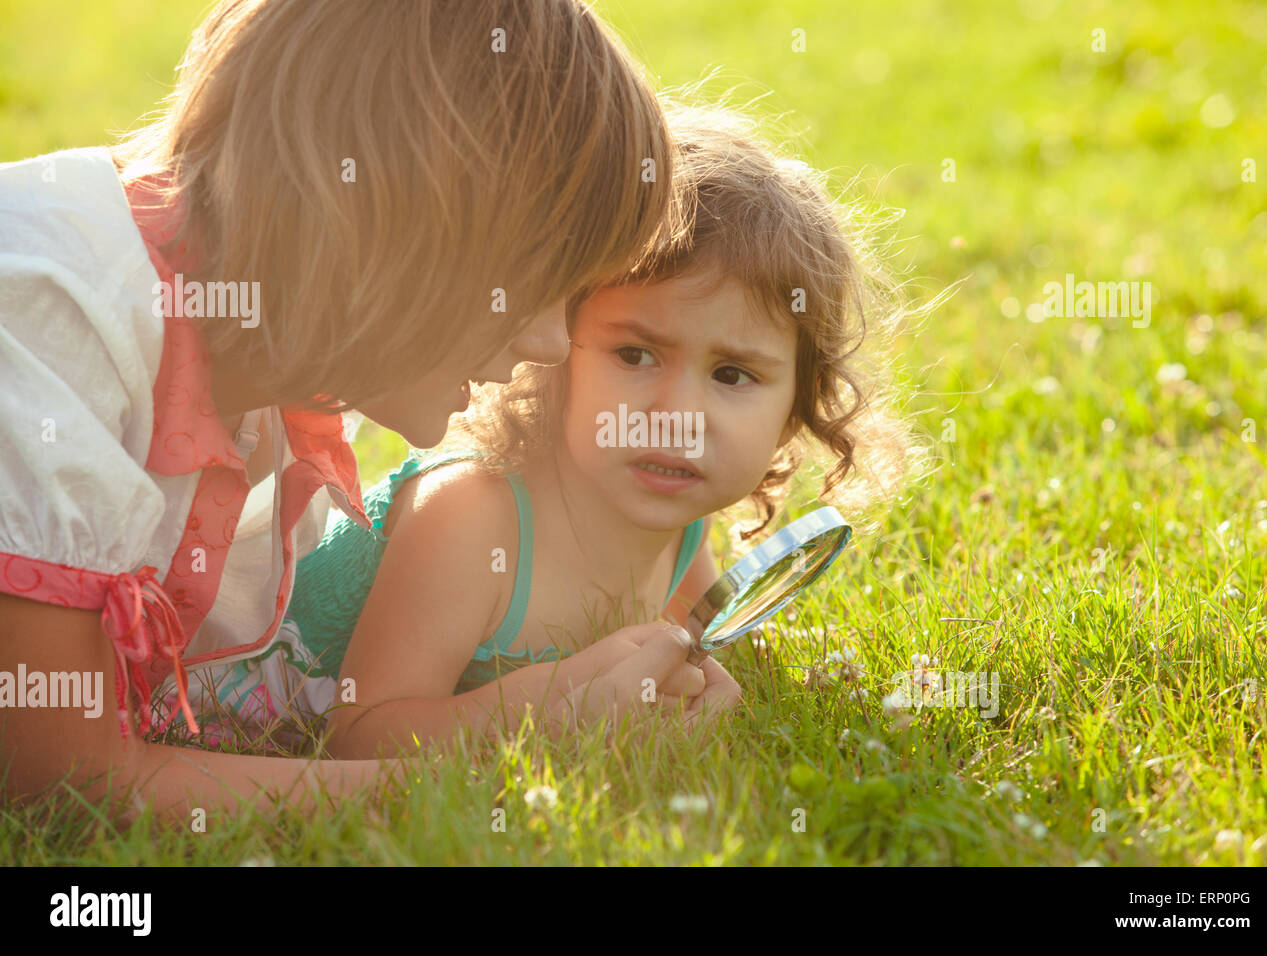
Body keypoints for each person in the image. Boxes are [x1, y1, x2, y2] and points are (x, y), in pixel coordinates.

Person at [0, 0, 729, 823]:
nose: (555, 342)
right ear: (391, 227)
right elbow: (62, 779)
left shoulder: (272, 378)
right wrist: (517, 757)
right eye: (534, 282)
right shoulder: (50, 313)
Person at [246, 104, 915, 759]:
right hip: (222, 713)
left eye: (734, 375)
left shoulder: (680, 521)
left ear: (796, 412)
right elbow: (361, 735)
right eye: (634, 354)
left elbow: (705, 649)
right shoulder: (475, 519)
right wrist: (559, 702)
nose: (678, 416)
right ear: (553, 356)